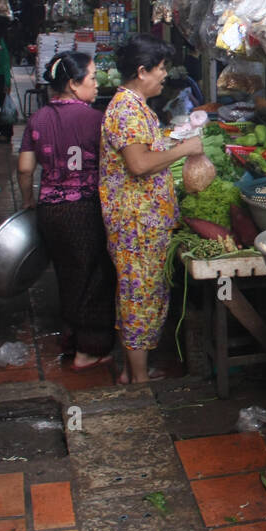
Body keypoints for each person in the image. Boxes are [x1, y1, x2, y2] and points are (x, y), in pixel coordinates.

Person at [99, 35, 203, 384]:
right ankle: (139, 381)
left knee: (141, 292)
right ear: (142, 71)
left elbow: (146, 150)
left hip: (145, 220)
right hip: (136, 224)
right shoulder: (127, 110)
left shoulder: (135, 105)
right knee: (139, 296)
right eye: (160, 68)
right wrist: (185, 149)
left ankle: (132, 372)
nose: (164, 75)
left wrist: (174, 138)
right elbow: (139, 164)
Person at [17, 52, 116, 372]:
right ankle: (89, 349)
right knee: (94, 277)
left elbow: (25, 168)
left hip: (51, 211)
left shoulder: (38, 119)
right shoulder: (97, 120)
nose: (96, 85)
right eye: (92, 78)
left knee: (68, 274)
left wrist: (28, 200)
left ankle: (72, 339)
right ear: (73, 84)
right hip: (85, 209)